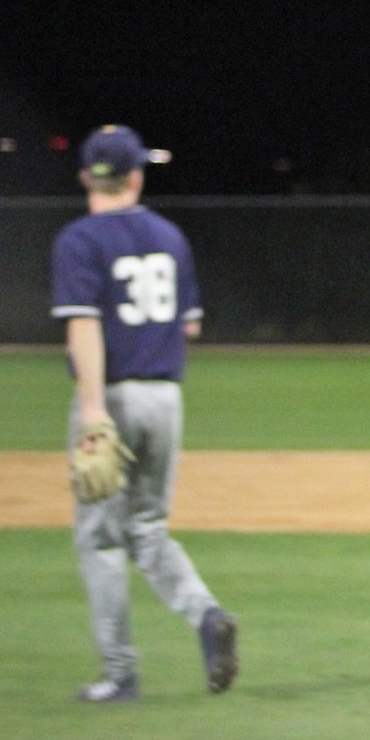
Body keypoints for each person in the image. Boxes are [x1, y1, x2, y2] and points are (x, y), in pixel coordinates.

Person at [50, 125, 238, 703]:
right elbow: (189, 326)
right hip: (166, 398)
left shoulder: (79, 240)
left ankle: (120, 673)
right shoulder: (170, 236)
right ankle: (207, 616)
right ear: (134, 177)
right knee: (149, 529)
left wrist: (92, 412)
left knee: (101, 540)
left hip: (112, 397)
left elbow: (84, 325)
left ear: (87, 177)